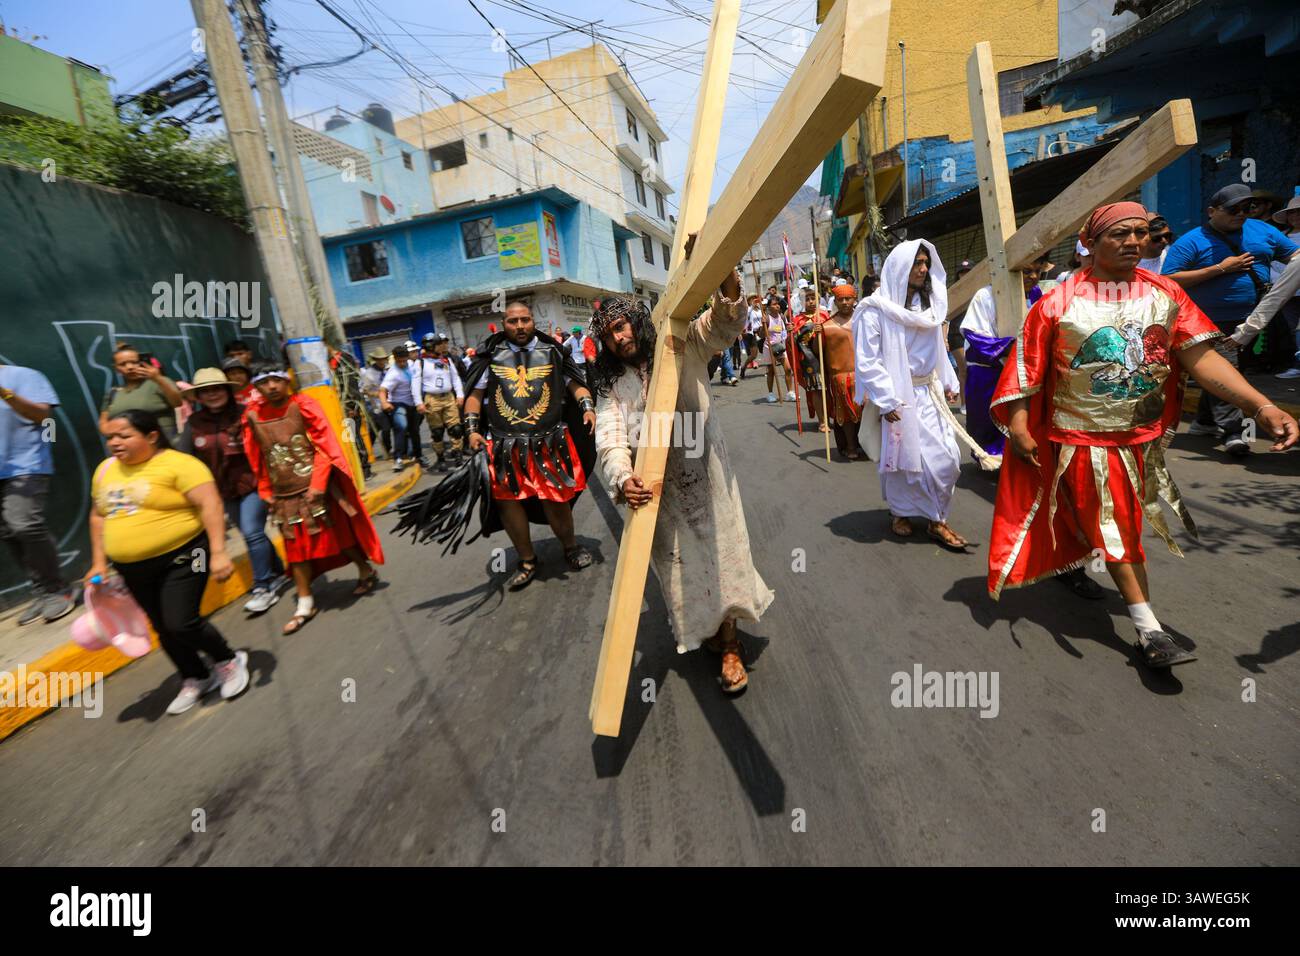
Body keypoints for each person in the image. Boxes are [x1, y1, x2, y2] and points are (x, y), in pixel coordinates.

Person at [988, 201, 1299, 668]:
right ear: (1089, 243)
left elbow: (1202, 360)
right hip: (1083, 442)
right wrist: (1017, 423)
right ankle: (1149, 631)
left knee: (1107, 520)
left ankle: (1074, 558)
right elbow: (1025, 370)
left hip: (1144, 439)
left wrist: (1261, 404)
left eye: (1141, 232)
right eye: (1120, 233)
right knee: (1117, 527)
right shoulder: (1057, 303)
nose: (1134, 241)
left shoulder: (1167, 294)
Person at [590, 273, 773, 693]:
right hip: (660, 492)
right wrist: (622, 477)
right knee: (682, 566)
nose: (618, 338)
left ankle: (730, 646)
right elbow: (611, 436)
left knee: (719, 554)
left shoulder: (682, 341)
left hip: (706, 474)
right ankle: (709, 629)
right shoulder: (611, 383)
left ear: (636, 320)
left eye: (621, 326)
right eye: (609, 334)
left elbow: (725, 326)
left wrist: (725, 278)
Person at [87, 409, 248, 714]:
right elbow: (98, 516)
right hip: (132, 568)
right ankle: (195, 675)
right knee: (163, 626)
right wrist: (98, 563)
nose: (115, 443)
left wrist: (218, 552)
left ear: (151, 436)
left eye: (124, 435)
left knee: (181, 621)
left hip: (190, 555)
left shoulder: (180, 464)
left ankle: (227, 659)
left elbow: (210, 504)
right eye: (110, 437)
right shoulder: (105, 471)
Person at [461, 300, 597, 588]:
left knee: (556, 501)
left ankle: (570, 547)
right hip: (504, 445)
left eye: (525, 320)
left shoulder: (553, 351)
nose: (520, 326)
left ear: (533, 321)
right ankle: (527, 560)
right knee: (510, 505)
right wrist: (472, 430)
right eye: (513, 321)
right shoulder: (490, 356)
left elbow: (575, 382)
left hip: (550, 441)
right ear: (504, 323)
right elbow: (474, 396)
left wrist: (586, 406)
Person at [243, 364, 384, 634]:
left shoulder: (303, 405)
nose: (271, 387)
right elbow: (258, 458)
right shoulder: (251, 417)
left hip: (316, 490)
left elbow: (323, 447)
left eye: (276, 380)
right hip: (284, 496)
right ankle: (305, 603)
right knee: (296, 551)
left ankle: (365, 570)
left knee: (338, 539)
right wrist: (265, 491)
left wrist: (318, 484)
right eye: (265, 382)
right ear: (257, 387)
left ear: (286, 381)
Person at [1163, 183, 1300, 452]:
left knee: (1233, 372)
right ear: (1212, 211)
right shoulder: (1192, 241)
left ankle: (1203, 421)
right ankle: (1233, 432)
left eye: (1247, 208)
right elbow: (1168, 280)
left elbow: (1293, 256)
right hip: (1209, 322)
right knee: (1231, 368)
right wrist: (1220, 268)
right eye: (1233, 209)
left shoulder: (1262, 230)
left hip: (1253, 320)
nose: (1241, 214)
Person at [851, 239, 970, 549]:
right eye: (917, 263)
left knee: (947, 459)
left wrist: (949, 382)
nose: (923, 269)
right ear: (901, 267)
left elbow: (937, 350)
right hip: (899, 397)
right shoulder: (873, 311)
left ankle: (935, 517)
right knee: (904, 462)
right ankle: (908, 513)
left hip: (929, 393)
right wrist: (888, 401)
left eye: (926, 263)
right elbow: (868, 360)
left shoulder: (928, 310)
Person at [176, 368, 286, 615]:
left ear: (226, 390)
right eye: (205, 391)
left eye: (216, 389)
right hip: (222, 492)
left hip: (254, 484)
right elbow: (184, 458)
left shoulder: (246, 413)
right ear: (199, 397)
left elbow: (269, 445)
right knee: (254, 533)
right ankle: (278, 572)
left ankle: (263, 586)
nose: (212, 394)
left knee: (251, 531)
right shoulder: (194, 423)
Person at [1, 364, 73, 624]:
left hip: (25, 465)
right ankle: (42, 592)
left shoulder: (26, 376)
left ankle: (59, 590)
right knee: (8, 533)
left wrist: (4, 393)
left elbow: (45, 418)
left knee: (24, 524)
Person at [959, 265, 1043, 459]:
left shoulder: (1036, 294)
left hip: (1022, 369)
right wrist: (1009, 346)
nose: (1032, 276)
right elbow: (975, 334)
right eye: (1026, 271)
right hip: (988, 371)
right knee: (987, 422)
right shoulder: (986, 295)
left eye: (1037, 271)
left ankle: (1015, 459)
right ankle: (990, 459)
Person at [819, 283, 866, 459]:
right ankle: (851, 447)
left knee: (867, 414)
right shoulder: (826, 325)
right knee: (846, 416)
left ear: (854, 299)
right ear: (835, 301)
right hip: (840, 377)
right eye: (841, 299)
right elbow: (818, 352)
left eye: (848, 298)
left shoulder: (864, 320)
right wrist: (816, 334)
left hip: (864, 375)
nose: (845, 302)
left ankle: (869, 446)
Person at [100, 344, 183, 441]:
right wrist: (117, 435)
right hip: (128, 449)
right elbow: (103, 423)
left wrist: (157, 378)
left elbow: (177, 402)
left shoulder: (158, 383)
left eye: (134, 362)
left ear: (142, 362)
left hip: (162, 444)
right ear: (116, 368)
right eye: (123, 364)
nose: (130, 367)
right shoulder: (113, 393)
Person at [413, 333, 465, 473]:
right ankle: (440, 457)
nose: (443, 346)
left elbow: (455, 378)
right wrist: (419, 403)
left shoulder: (446, 360)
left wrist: (459, 395)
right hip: (432, 400)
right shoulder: (420, 362)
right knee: (437, 432)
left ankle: (458, 456)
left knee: (456, 429)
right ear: (430, 346)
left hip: (448, 398)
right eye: (439, 344)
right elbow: (415, 384)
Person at [792, 287, 832, 432]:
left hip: (826, 356)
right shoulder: (797, 320)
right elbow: (794, 342)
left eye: (813, 298)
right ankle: (822, 421)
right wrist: (792, 333)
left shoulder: (824, 315)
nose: (810, 302)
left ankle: (831, 416)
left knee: (828, 388)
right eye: (807, 299)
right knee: (816, 389)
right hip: (809, 359)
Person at [379, 345, 423, 471]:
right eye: (399, 361)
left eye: (404, 360)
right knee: (401, 427)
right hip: (398, 403)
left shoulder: (412, 365)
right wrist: (384, 403)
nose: (402, 363)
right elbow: (382, 390)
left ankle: (418, 455)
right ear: (395, 359)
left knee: (415, 430)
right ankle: (398, 458)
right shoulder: (392, 373)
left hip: (413, 403)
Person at [359, 347, 392, 460]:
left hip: (389, 403)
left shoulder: (388, 370)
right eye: (379, 359)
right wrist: (377, 394)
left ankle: (367, 452)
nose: (382, 361)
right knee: (386, 428)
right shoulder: (368, 374)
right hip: (376, 407)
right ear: (375, 359)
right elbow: (364, 390)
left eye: (384, 358)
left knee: (374, 430)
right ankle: (388, 452)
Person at [762, 297, 796, 403]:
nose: (777, 305)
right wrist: (763, 326)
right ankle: (770, 394)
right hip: (769, 348)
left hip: (780, 347)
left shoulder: (781, 316)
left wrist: (790, 327)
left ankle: (790, 392)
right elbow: (761, 335)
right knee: (771, 372)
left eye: (778, 304)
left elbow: (786, 328)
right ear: (769, 307)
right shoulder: (767, 319)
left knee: (788, 369)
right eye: (774, 304)